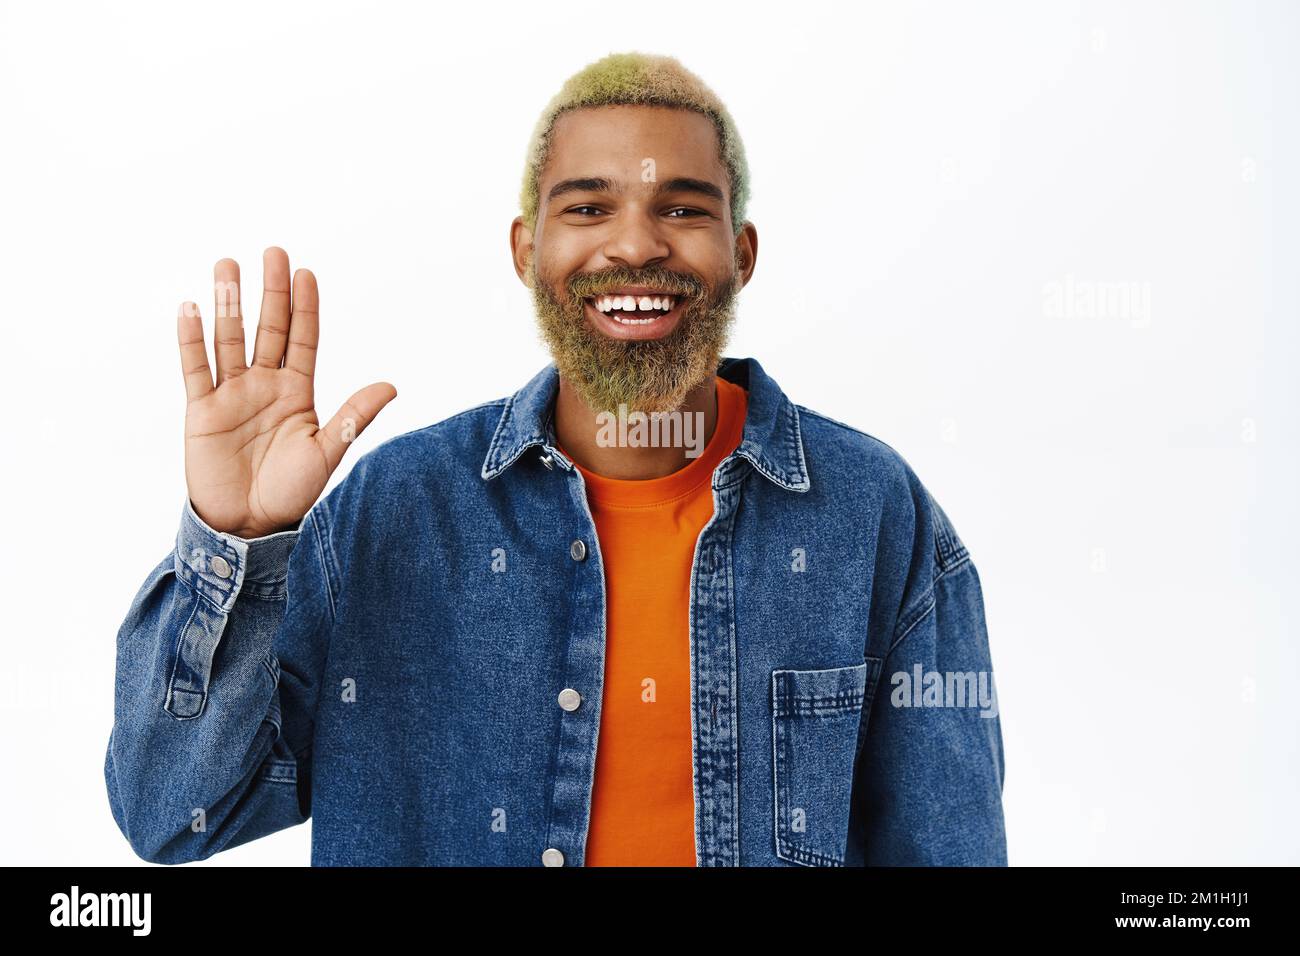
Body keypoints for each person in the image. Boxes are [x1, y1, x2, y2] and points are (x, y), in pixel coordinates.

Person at [105, 52, 1006, 867]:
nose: (636, 245)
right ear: (525, 250)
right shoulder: (390, 514)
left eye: (683, 208)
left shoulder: (872, 515)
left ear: (741, 254)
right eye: (587, 207)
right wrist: (234, 542)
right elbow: (172, 813)